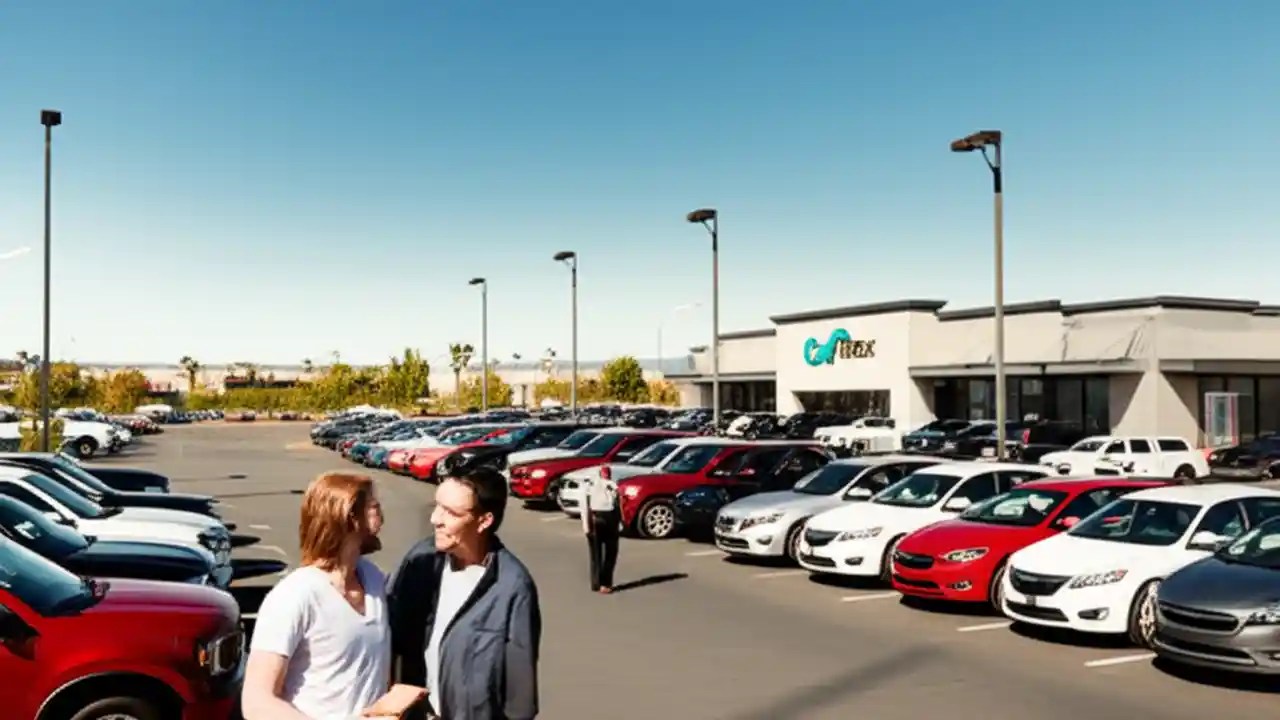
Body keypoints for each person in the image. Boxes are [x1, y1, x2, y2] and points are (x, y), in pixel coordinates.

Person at [387, 468, 541, 720]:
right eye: (437, 506)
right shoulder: (420, 562)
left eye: (451, 513)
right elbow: (391, 637)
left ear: (484, 521)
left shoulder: (511, 587)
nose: (436, 519)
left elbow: (519, 696)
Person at [242, 471, 391, 720]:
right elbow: (256, 702)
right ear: (348, 516)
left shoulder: (374, 579)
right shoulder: (296, 594)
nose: (381, 511)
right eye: (373, 505)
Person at [581, 466, 620, 593]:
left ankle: (601, 583)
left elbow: (618, 505)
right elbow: (584, 506)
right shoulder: (595, 486)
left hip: (603, 519)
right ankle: (601, 583)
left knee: (603, 553)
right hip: (601, 519)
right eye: (605, 472)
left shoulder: (610, 485)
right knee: (603, 553)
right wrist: (586, 526)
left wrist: (586, 526)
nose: (606, 475)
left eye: (607, 472)